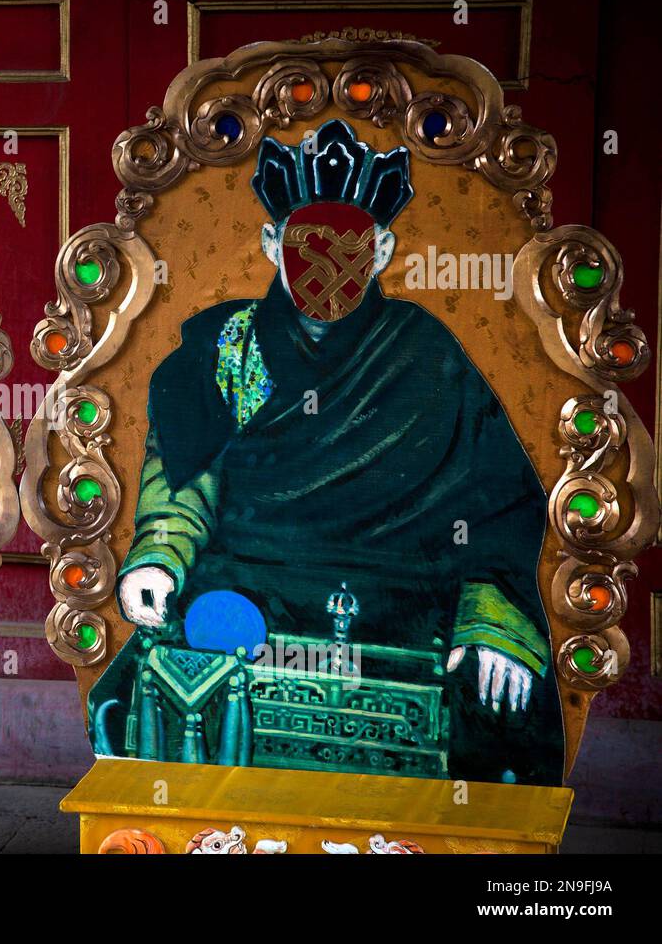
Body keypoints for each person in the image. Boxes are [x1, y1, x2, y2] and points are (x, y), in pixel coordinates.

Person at [88, 121, 564, 784]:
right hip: (252, 582)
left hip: (403, 594)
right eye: (310, 244)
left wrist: (492, 617)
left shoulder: (426, 352)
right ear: (271, 243)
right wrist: (160, 558)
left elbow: (497, 497)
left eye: (349, 244)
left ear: (384, 249)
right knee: (147, 689)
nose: (329, 262)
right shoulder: (230, 347)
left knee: (495, 702)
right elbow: (184, 475)